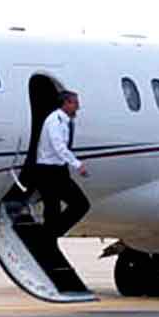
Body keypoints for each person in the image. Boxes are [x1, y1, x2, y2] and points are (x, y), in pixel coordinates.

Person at [32, 89, 91, 239]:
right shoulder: (54, 121)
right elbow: (59, 147)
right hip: (46, 171)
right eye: (75, 103)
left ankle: (51, 235)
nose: (78, 107)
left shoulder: (65, 121)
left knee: (81, 204)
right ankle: (48, 239)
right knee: (52, 210)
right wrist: (78, 165)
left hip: (59, 170)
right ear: (65, 103)